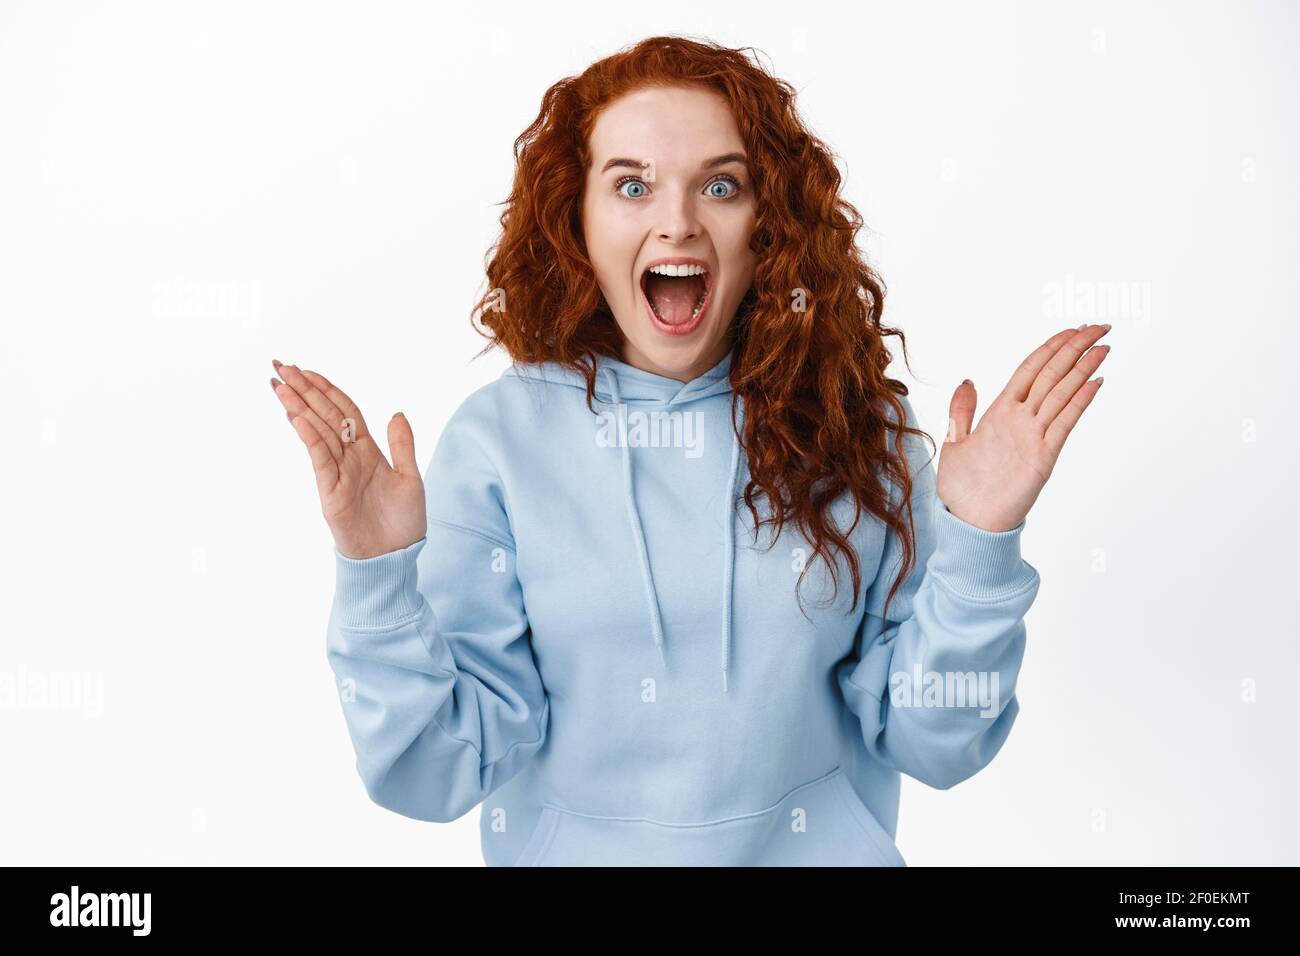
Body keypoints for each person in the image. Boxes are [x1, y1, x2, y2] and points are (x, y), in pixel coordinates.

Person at [269, 35, 1111, 866]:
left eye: (719, 185)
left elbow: (937, 740)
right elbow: (431, 771)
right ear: (578, 220)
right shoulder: (501, 443)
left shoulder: (858, 432)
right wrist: (377, 576)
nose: (677, 222)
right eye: (632, 186)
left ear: (769, 221)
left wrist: (979, 545)